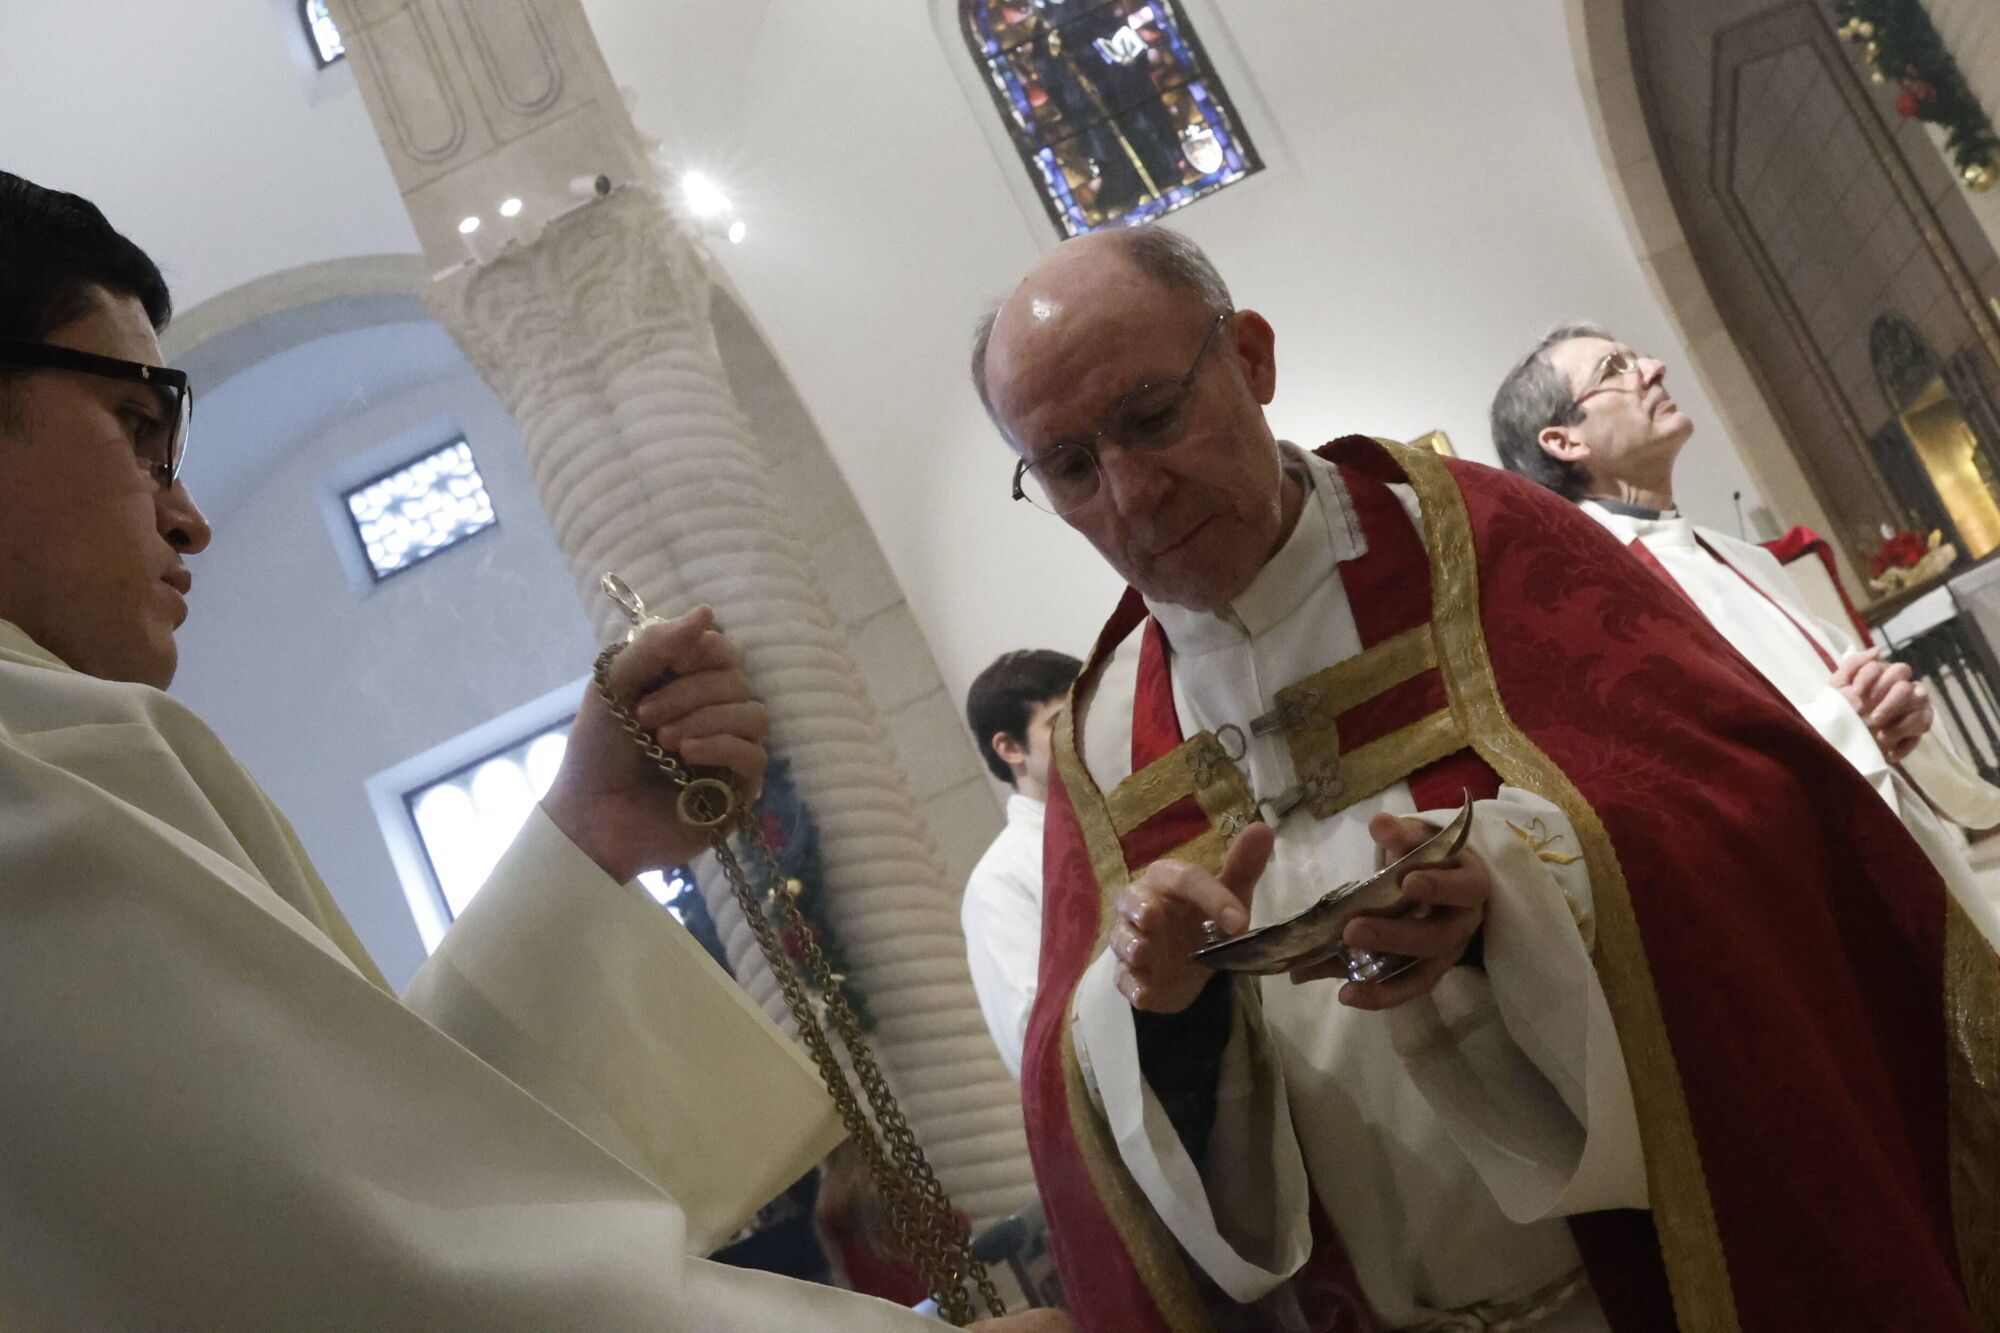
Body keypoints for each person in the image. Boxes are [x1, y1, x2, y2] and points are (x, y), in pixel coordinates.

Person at [0, 170, 1064, 1332]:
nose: (186, 514)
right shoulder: (41, 771)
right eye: (139, 429)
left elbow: (378, 1173)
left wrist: (587, 829)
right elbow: (398, 1276)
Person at [970, 224, 2000, 1331]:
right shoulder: (1104, 737)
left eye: (1150, 417)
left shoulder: (1485, 547)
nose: (1129, 495)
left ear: (1251, 360)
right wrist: (1162, 1009)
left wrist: (1512, 909)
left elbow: (1759, 832)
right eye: (1072, 467)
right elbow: (1073, 1106)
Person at [1491, 321, 2000, 906]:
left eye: (1640, 358)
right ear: (1564, 441)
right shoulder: (1590, 596)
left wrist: (1900, 715)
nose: (1654, 369)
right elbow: (1660, 783)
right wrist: (1847, 728)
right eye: (1614, 370)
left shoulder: (1732, 554)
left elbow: (1854, 699)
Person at [962, 648, 1083, 1078]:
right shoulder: (1000, 880)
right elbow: (1035, 1038)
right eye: (1058, 721)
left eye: (1085, 709)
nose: (1083, 728)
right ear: (1010, 747)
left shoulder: (1131, 820)